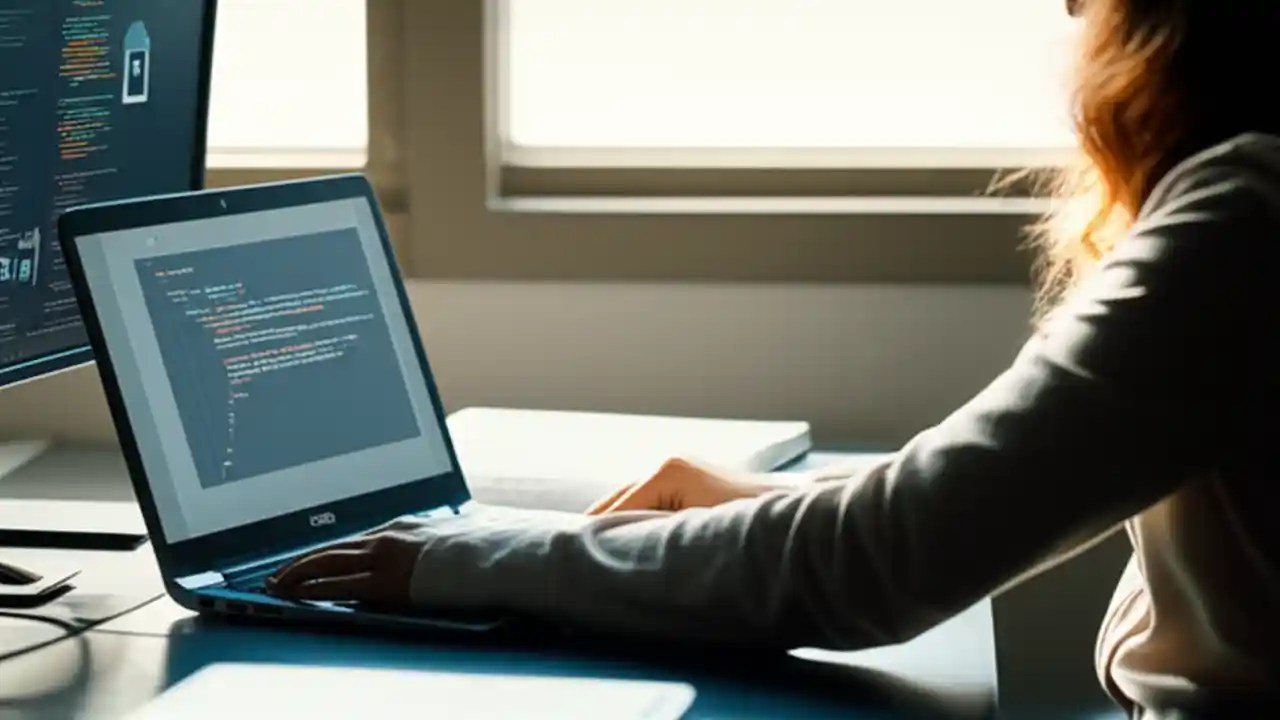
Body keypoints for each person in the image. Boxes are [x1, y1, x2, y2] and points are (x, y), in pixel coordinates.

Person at [268, 0, 1280, 715]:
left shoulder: (1246, 214)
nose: (1069, 9)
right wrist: (761, 505)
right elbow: (966, 502)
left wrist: (470, 560)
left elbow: (883, 562)